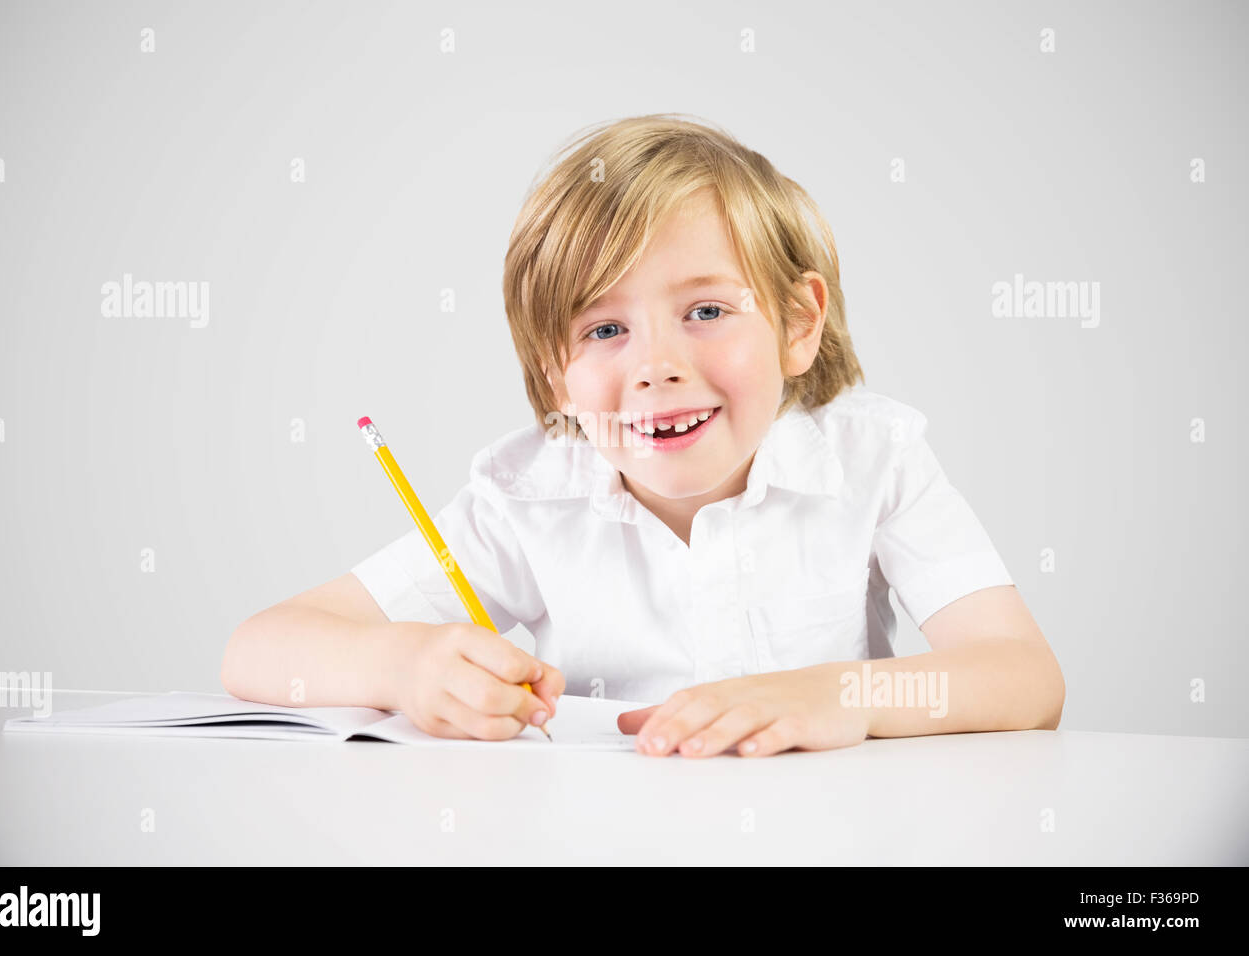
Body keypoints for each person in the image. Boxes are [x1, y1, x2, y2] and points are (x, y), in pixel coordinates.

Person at [221, 114, 1065, 758]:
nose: (656, 367)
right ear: (556, 371)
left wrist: (843, 696)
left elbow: (1025, 678)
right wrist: (403, 668)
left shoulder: (872, 460)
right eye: (604, 331)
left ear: (799, 323)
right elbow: (259, 650)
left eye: (705, 312)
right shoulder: (528, 499)